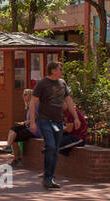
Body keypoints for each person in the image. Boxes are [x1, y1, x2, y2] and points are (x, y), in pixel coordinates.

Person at [28, 61, 78, 189]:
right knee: (50, 146)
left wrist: (76, 117)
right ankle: (46, 177)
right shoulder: (42, 84)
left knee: (55, 150)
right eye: (60, 69)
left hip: (58, 121)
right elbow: (33, 103)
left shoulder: (62, 83)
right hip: (45, 120)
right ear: (53, 70)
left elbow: (68, 100)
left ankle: (49, 177)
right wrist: (33, 122)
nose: (61, 71)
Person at [6, 90, 38, 165]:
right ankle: (8, 146)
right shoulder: (29, 106)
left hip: (35, 130)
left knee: (15, 137)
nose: (23, 96)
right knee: (13, 128)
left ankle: (16, 157)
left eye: (25, 94)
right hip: (28, 127)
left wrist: (24, 123)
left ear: (30, 95)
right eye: (23, 94)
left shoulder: (35, 105)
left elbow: (36, 118)